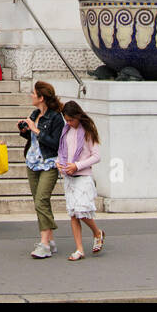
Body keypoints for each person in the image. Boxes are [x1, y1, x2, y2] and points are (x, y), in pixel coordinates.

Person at [18, 80, 64, 258]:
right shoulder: (35, 113)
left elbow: (55, 143)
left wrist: (36, 130)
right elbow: (34, 141)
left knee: (41, 200)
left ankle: (44, 244)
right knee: (39, 201)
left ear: (41, 97)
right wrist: (25, 131)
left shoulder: (56, 118)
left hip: (49, 163)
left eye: (34, 93)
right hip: (32, 162)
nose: (31, 95)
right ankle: (49, 240)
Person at [57, 100, 105, 260]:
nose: (69, 123)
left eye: (71, 120)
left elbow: (96, 156)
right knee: (73, 213)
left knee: (82, 210)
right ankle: (79, 248)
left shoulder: (87, 132)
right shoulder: (66, 131)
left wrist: (77, 165)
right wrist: (60, 163)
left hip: (83, 176)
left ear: (78, 116)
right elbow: (63, 151)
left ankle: (97, 232)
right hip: (69, 176)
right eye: (67, 120)